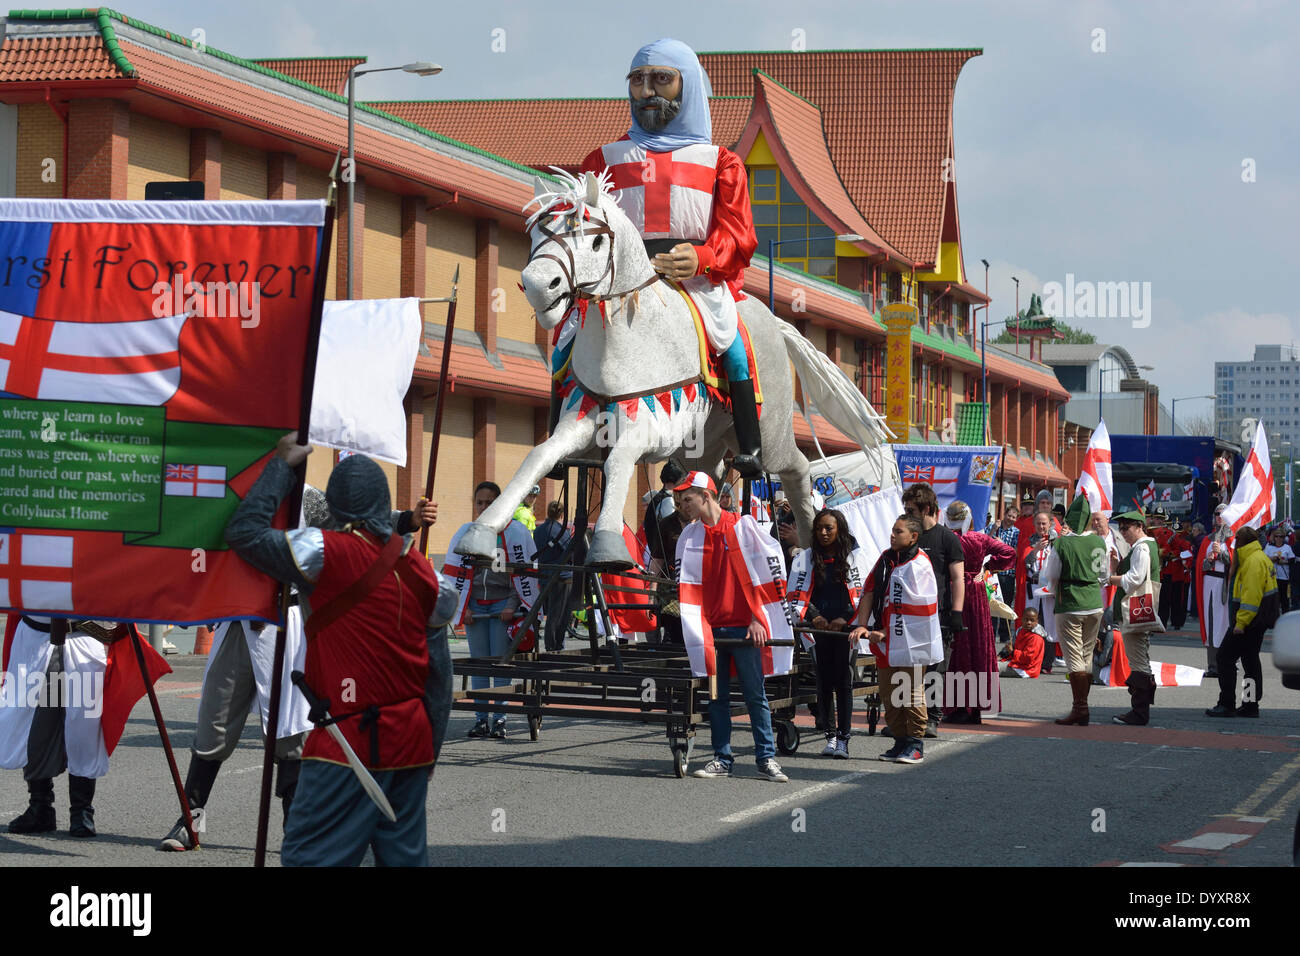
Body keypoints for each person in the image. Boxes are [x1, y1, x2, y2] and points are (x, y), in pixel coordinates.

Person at [224, 434, 458, 867]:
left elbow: (244, 533)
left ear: (334, 506)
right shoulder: (428, 577)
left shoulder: (322, 552)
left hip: (346, 741)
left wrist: (280, 465)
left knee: (309, 859)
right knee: (403, 861)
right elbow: (439, 678)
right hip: (410, 741)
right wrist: (430, 753)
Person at [159, 486, 436, 851]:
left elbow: (355, 519)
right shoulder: (230, 482)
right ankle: (190, 817)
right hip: (238, 620)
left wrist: (407, 520)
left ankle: (297, 826)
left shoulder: (304, 493)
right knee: (215, 717)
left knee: (291, 728)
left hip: (285, 621)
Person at [578, 39, 762, 476]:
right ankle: (561, 431)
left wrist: (701, 258)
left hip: (695, 282)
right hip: (622, 284)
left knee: (735, 349)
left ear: (688, 87)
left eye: (661, 79)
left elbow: (739, 236)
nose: (647, 91)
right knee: (568, 340)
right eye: (638, 81)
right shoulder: (601, 160)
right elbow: (583, 227)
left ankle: (750, 446)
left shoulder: (722, 162)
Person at [2, 616, 167, 838]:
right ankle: (40, 806)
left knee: (84, 728)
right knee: (34, 727)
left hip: (85, 639)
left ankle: (81, 811)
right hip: (36, 636)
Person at [674, 471, 790, 783]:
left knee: (755, 695)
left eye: (687, 499)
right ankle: (721, 758)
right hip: (710, 634)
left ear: (706, 496)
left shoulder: (742, 526)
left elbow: (765, 573)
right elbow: (683, 587)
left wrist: (757, 618)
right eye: (680, 500)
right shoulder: (689, 536)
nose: (682, 506)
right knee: (716, 697)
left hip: (744, 629)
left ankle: (766, 758)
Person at [445, 482, 538, 739]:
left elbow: (519, 579)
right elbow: (459, 575)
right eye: (480, 503)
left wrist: (510, 606)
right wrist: (462, 608)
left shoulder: (515, 533)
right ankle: (480, 719)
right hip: (475, 608)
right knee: (479, 665)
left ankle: (499, 719)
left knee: (498, 664)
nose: (484, 507)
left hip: (501, 609)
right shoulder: (467, 532)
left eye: (490, 502)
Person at [850, 514, 942, 764]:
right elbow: (869, 590)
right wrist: (862, 625)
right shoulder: (886, 559)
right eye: (892, 530)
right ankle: (899, 741)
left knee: (910, 690)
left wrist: (887, 632)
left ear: (913, 536)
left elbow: (919, 612)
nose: (892, 535)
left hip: (913, 641)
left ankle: (915, 743)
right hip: (885, 641)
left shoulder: (920, 565)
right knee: (890, 693)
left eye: (898, 532)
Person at [788, 508, 871, 758]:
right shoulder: (806, 558)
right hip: (819, 628)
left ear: (840, 530)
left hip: (845, 630)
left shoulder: (855, 557)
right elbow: (797, 593)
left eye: (829, 528)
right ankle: (830, 736)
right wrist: (815, 616)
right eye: (819, 528)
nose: (823, 533)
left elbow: (862, 593)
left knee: (843, 683)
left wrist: (844, 618)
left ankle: (844, 739)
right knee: (823, 683)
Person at [942, 500, 1016, 724]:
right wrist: (987, 568)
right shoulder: (979, 538)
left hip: (954, 592)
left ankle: (959, 706)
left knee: (959, 647)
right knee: (979, 646)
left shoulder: (947, 539)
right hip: (976, 591)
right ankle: (977, 707)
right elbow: (1009, 553)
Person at [899, 483, 964, 738]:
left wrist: (957, 613)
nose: (906, 514)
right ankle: (904, 719)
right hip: (906, 615)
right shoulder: (905, 536)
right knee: (905, 665)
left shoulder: (946, 538)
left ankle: (931, 718)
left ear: (927, 509)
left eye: (911, 510)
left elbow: (957, 578)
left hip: (939, 615)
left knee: (936, 668)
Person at [1043, 495, 1105, 726]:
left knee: (1074, 657)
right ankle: (1082, 706)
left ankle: (1080, 707)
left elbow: (1052, 574)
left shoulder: (1062, 543)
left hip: (1070, 602)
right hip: (1094, 602)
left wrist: (1051, 587)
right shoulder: (1099, 542)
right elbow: (1102, 575)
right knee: (1087, 654)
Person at [1206, 525, 1279, 719]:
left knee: (1224, 658)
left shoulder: (1252, 562)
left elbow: (1251, 597)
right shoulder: (1258, 557)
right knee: (1250, 662)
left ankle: (1226, 703)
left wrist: (1240, 623)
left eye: (1235, 539)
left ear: (1241, 541)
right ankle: (1250, 704)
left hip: (1249, 622)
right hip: (1258, 620)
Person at [1108, 509, 1162, 725]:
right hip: (1138, 608)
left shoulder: (1142, 548)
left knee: (1138, 660)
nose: (1123, 532)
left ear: (1139, 527)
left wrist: (1111, 579)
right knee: (1140, 658)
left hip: (1136, 609)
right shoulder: (1143, 546)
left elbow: (1134, 579)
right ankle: (1141, 709)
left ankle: (1139, 712)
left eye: (1127, 528)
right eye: (1121, 528)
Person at [643, 459, 689, 645]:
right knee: (672, 629)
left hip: (658, 560)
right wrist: (652, 592)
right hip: (669, 578)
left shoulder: (655, 498)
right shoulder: (668, 502)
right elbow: (659, 556)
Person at [1196, 504, 1234, 677]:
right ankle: (1213, 665)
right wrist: (1209, 560)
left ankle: (1227, 662)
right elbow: (1200, 567)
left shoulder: (1232, 539)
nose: (1219, 516)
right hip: (1208, 582)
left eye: (1223, 514)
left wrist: (1222, 555)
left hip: (1224, 584)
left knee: (1224, 623)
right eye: (1217, 513)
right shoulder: (1207, 539)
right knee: (1210, 623)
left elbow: (1235, 563)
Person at [534, 500, 576, 652]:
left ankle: (551, 644)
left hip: (544, 575)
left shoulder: (538, 530)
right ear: (562, 514)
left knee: (551, 612)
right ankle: (555, 645)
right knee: (560, 615)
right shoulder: (560, 531)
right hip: (562, 577)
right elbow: (570, 552)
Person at [1024, 512, 1060, 674]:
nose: (1041, 527)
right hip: (1032, 589)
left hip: (1048, 590)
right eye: (1038, 523)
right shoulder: (1030, 541)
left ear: (1050, 524)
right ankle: (1032, 658)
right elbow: (1025, 563)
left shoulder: (1056, 543)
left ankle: (1047, 662)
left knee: (1048, 625)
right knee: (1032, 623)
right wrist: (1035, 550)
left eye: (1044, 523)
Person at [989, 510, 1020, 643]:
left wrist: (1002, 544)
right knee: (993, 603)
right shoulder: (995, 528)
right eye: (1009, 515)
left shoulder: (1017, 532)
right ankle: (991, 633)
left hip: (1007, 574)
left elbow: (1016, 552)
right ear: (1005, 514)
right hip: (994, 573)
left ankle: (1004, 635)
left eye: (1014, 517)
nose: (1011, 519)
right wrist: (993, 529)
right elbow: (985, 542)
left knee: (1006, 604)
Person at [1157, 517, 1192, 630]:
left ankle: (1176, 621)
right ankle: (1166, 621)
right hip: (1166, 571)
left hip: (1176, 573)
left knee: (1177, 599)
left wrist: (1172, 554)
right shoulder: (1160, 534)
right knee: (1165, 599)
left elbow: (1181, 553)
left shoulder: (1181, 541)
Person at [1000, 607, 1046, 679]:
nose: (1028, 623)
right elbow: (1012, 645)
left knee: (989, 667)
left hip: (1025, 669)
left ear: (1037, 621)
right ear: (1022, 619)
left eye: (1032, 620)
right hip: (1016, 662)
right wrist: (1001, 655)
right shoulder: (1020, 630)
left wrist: (1012, 652)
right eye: (1026, 619)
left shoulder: (1036, 637)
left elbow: (1028, 658)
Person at [1265, 526, 1294, 614]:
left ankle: (1285, 618)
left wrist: (1283, 561)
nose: (1278, 538)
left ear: (1284, 537)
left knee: (1284, 599)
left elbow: (1292, 561)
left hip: (1283, 577)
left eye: (1281, 536)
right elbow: (1263, 559)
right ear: (1274, 537)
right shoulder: (1269, 547)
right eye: (1277, 536)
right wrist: (1271, 559)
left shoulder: (1287, 547)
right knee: (1273, 600)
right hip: (1272, 577)